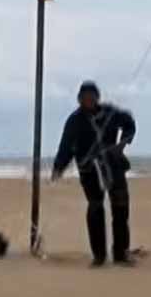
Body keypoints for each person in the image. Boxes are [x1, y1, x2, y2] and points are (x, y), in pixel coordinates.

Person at [51, 80, 137, 267]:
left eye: (92, 97)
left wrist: (122, 144)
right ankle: (99, 255)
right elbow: (66, 147)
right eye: (84, 98)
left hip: (113, 166)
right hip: (89, 170)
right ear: (79, 99)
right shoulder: (74, 120)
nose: (88, 100)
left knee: (121, 209)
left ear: (97, 98)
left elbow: (129, 123)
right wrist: (59, 167)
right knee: (96, 208)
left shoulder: (110, 113)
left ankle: (121, 253)